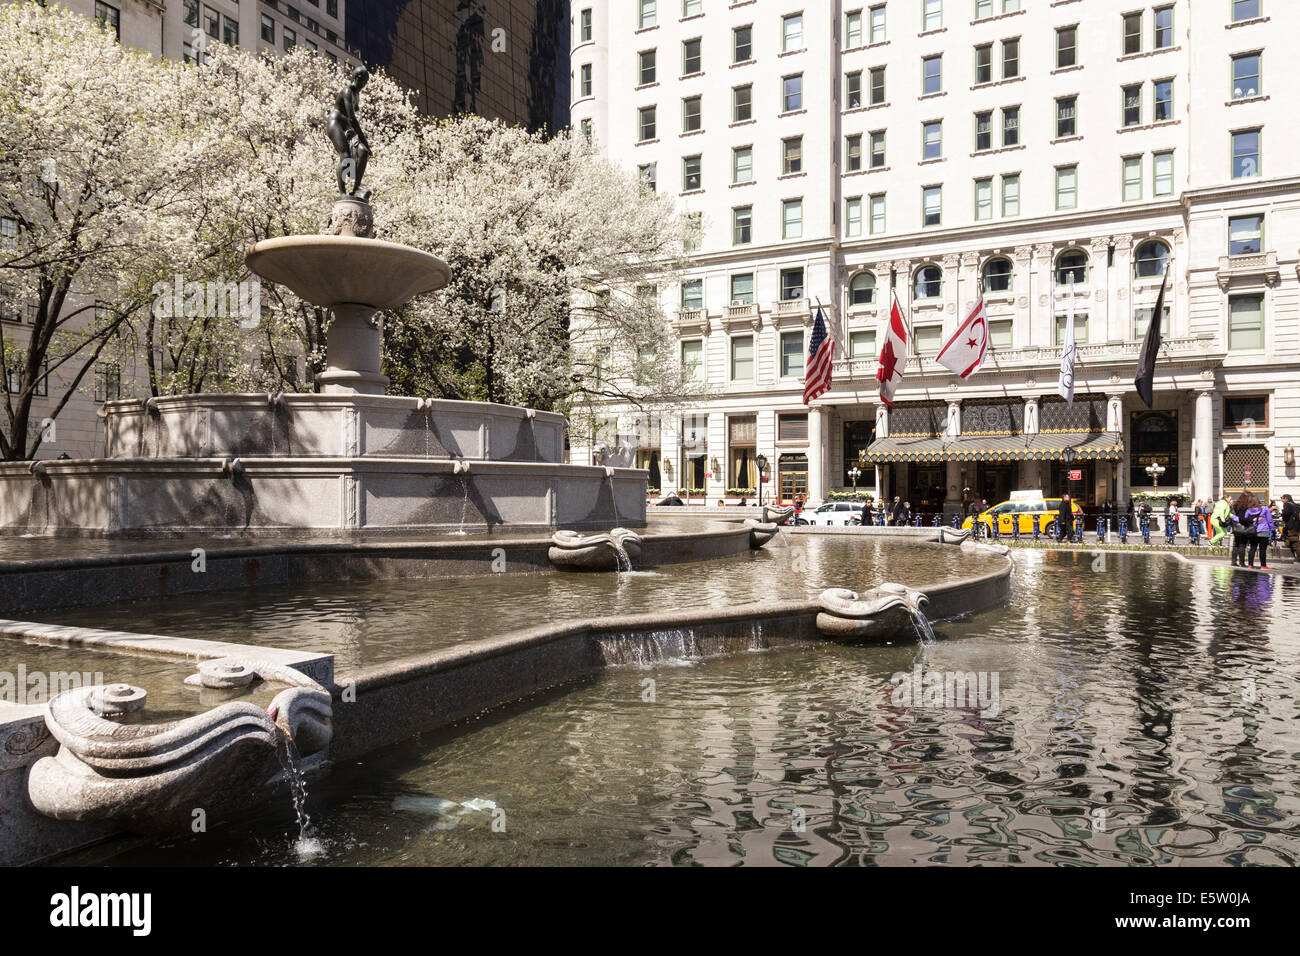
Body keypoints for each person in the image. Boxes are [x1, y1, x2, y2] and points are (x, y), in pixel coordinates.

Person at [1230, 492, 1256, 567]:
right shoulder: (1245, 507)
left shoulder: (1236, 505)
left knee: (1236, 545)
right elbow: (1243, 519)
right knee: (1242, 545)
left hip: (1236, 528)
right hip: (1243, 527)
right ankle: (1242, 562)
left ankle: (1233, 561)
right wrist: (1252, 520)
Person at [1281, 494, 1299, 560]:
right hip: (1295, 525)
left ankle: (1299, 557)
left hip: (1292, 526)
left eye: (1282, 498)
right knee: (1287, 538)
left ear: (1286, 498)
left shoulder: (1287, 504)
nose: (1282, 500)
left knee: (1294, 541)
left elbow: (1286, 513)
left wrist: (1282, 514)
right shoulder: (1294, 504)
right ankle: (1288, 555)